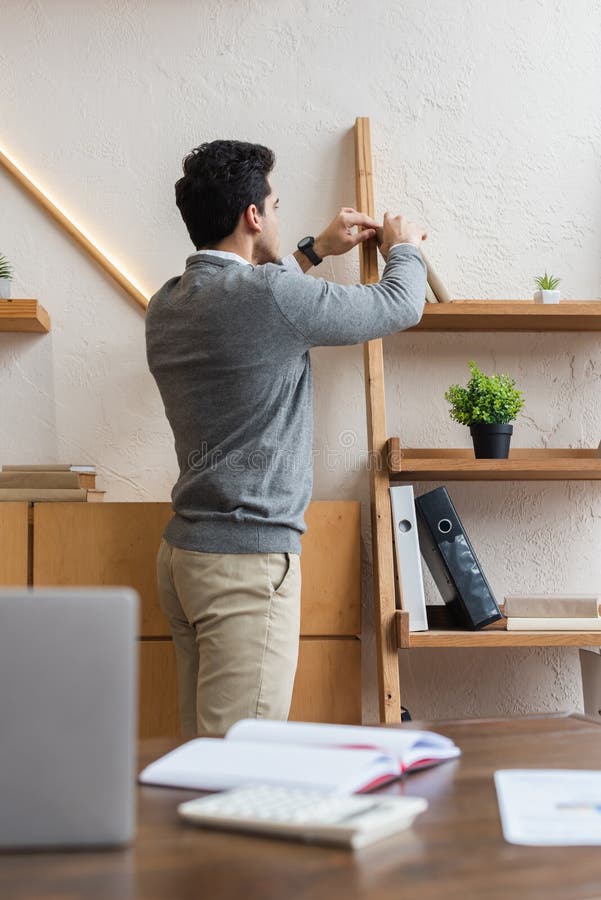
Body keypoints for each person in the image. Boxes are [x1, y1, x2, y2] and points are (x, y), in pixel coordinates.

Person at [146, 139, 427, 736]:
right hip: (246, 562)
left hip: (185, 558)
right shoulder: (268, 299)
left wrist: (314, 251)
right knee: (239, 763)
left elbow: (258, 308)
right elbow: (397, 306)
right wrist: (402, 249)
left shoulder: (166, 304)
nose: (277, 215)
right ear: (252, 216)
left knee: (204, 756)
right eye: (273, 206)